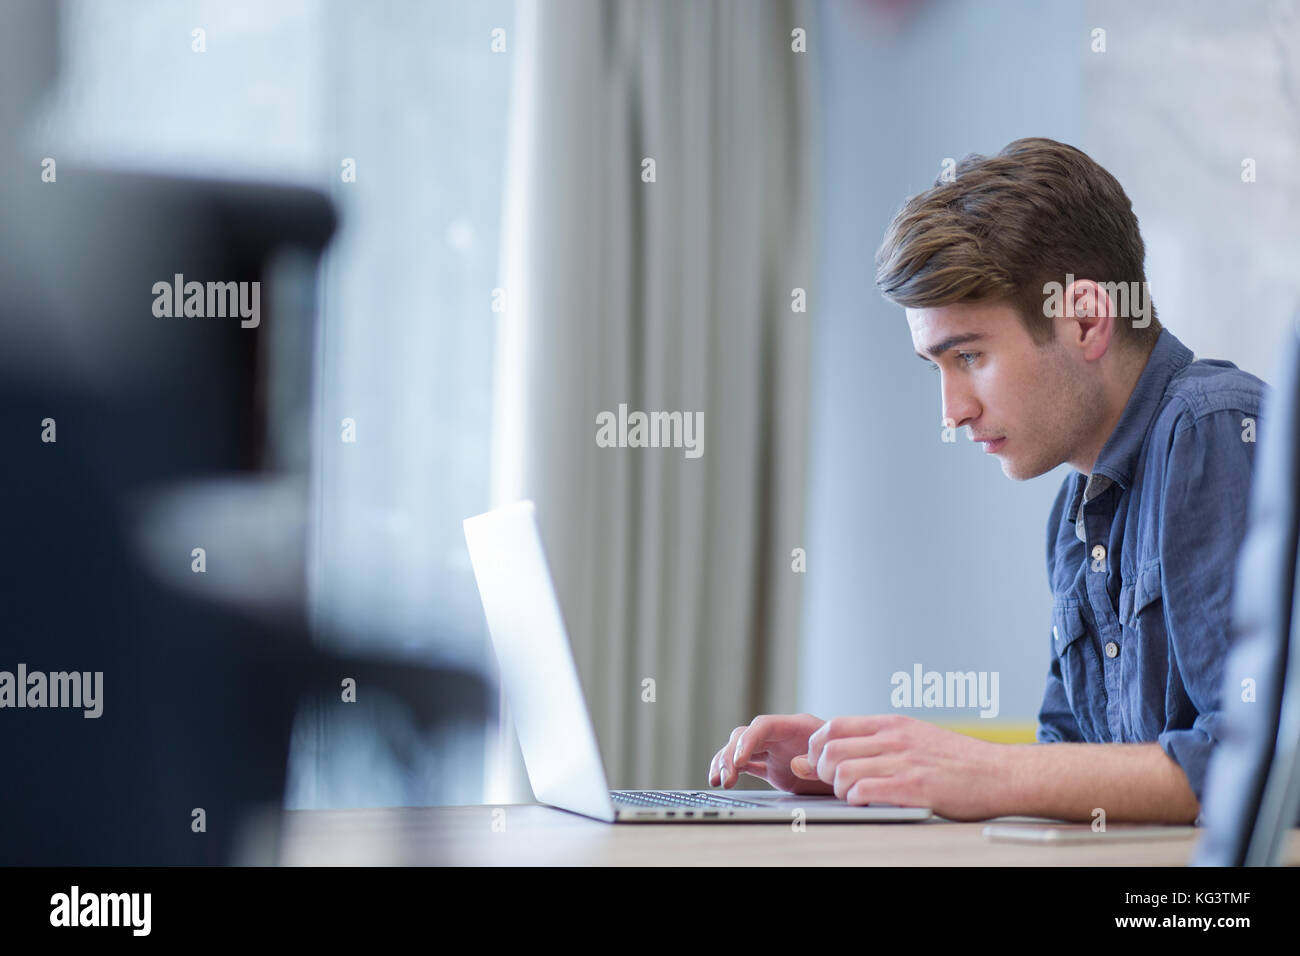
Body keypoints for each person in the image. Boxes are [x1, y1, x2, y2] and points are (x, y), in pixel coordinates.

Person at [708, 137, 1266, 824]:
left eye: (968, 355)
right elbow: (1071, 771)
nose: (953, 411)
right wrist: (884, 771)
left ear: (1086, 318)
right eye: (937, 366)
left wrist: (980, 769)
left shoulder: (1212, 431)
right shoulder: (1076, 515)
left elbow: (1256, 767)